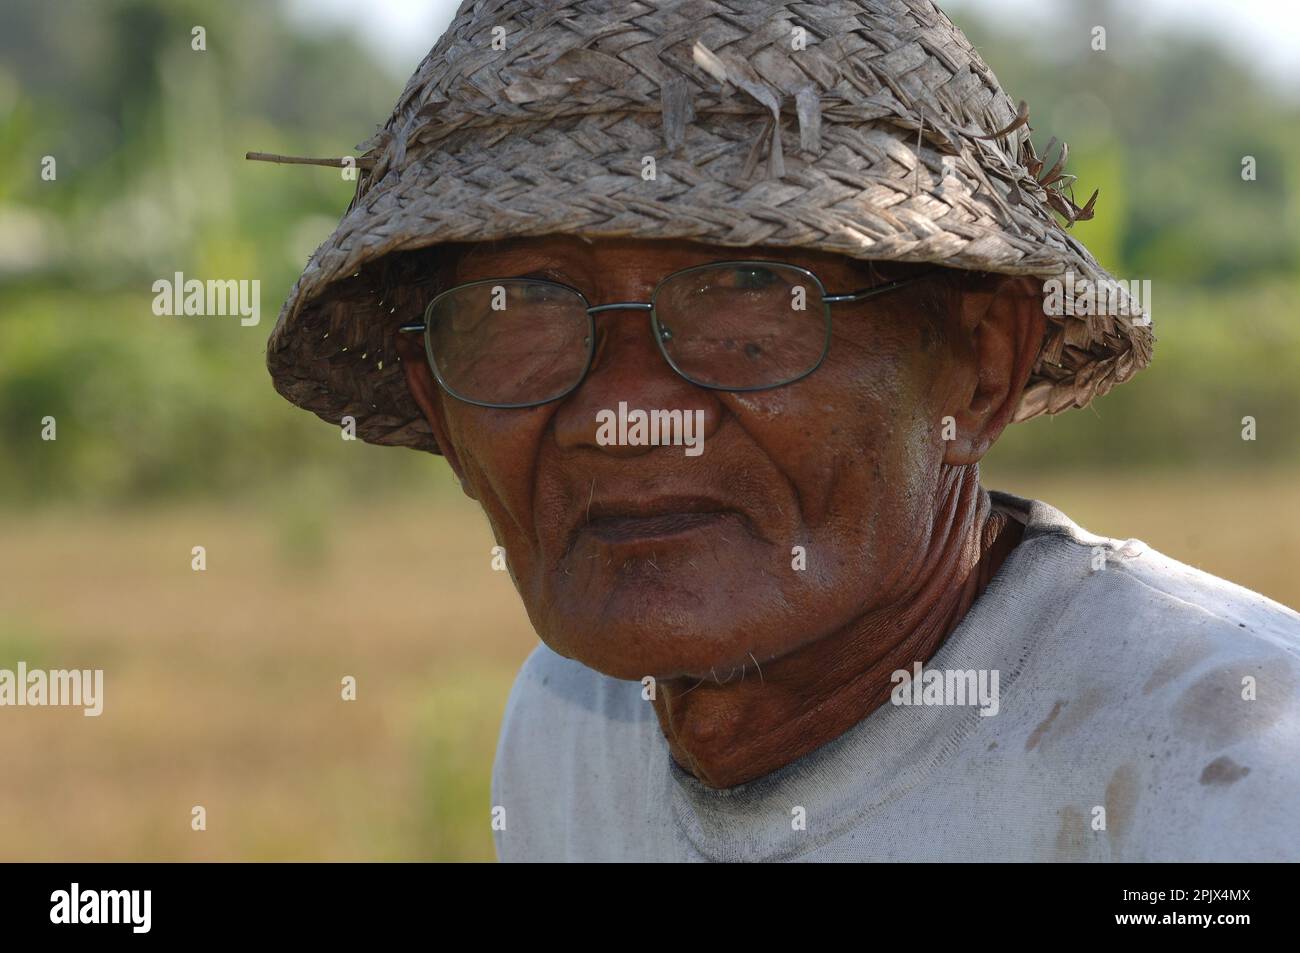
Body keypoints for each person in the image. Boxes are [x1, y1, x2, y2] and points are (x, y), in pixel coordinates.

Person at [260, 0, 1300, 861]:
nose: (627, 413)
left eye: (748, 296)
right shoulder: (569, 732)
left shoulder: (1236, 775)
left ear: (981, 367)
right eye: (520, 311)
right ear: (437, 401)